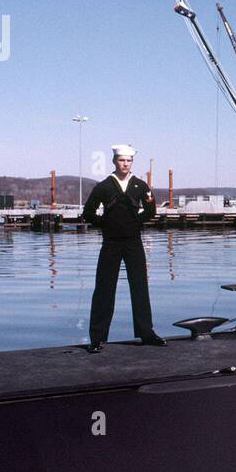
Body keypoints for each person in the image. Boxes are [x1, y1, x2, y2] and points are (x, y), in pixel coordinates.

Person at [83, 143, 166, 351]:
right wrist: (105, 224)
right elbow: (88, 212)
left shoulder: (140, 185)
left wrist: (136, 222)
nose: (125, 164)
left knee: (139, 286)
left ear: (132, 162)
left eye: (128, 161)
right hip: (110, 242)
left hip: (133, 242)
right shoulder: (103, 186)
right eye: (121, 160)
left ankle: (146, 333)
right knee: (104, 289)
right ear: (114, 161)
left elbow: (151, 210)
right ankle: (97, 338)